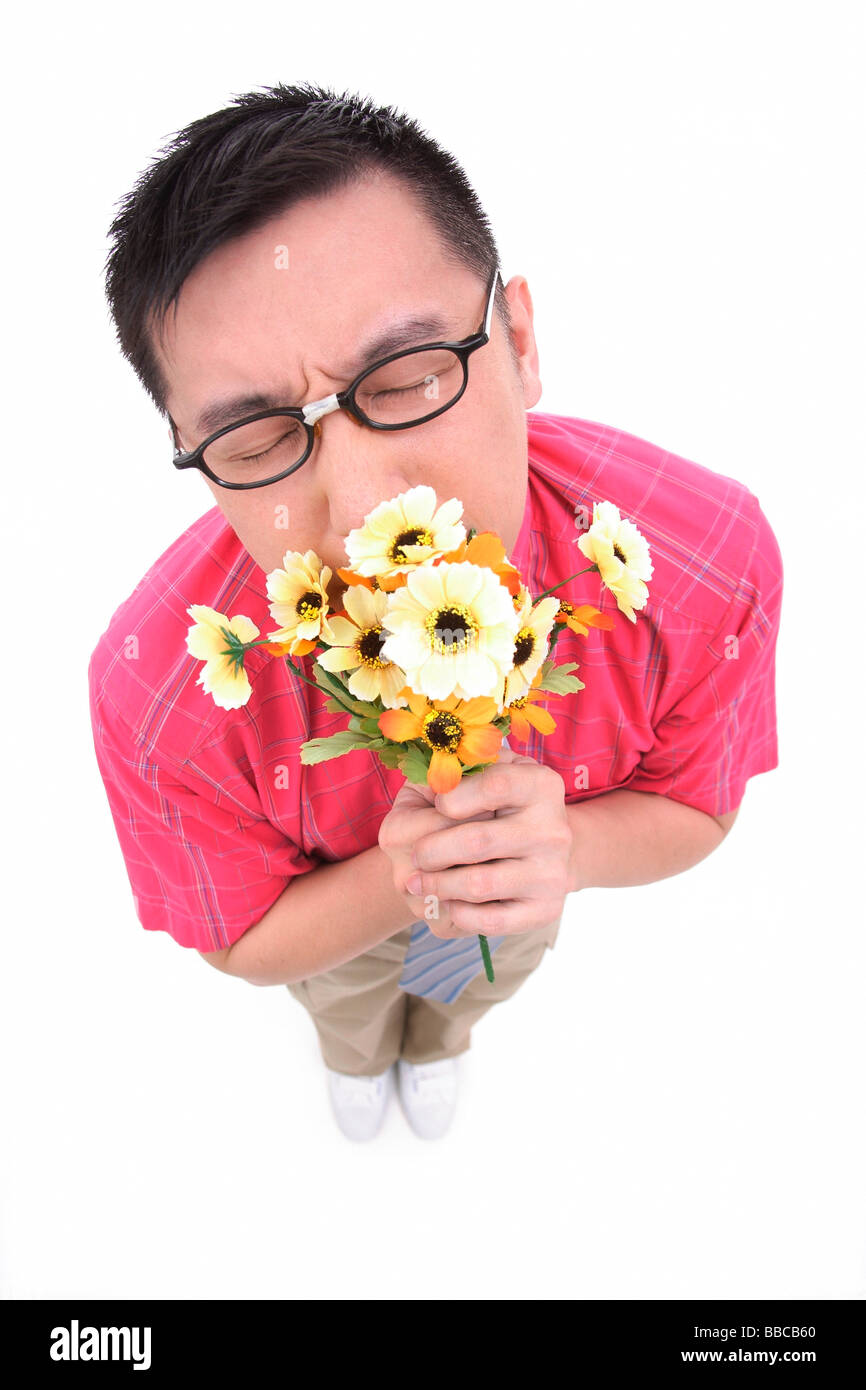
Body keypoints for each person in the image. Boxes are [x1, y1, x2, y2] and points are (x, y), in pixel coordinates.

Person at [88, 81, 783, 1143]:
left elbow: (699, 806)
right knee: (347, 1004)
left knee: (474, 980)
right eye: (261, 439)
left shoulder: (702, 557)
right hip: (332, 938)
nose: (368, 508)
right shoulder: (157, 689)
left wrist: (564, 850)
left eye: (409, 374)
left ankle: (445, 1041)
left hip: (523, 902)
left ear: (518, 339)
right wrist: (406, 873)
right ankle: (356, 1061)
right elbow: (238, 936)